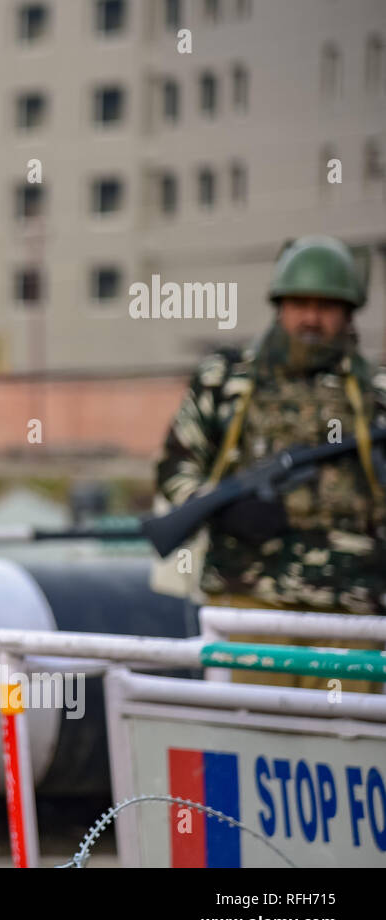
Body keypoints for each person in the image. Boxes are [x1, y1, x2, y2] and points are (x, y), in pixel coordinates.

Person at [155, 235, 385, 694]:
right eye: (300, 303)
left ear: (349, 312)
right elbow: (176, 467)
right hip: (250, 599)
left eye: (327, 306)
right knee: (249, 731)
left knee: (343, 743)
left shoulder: (375, 392)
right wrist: (224, 508)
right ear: (280, 305)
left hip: (350, 607)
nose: (312, 318)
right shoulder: (227, 379)